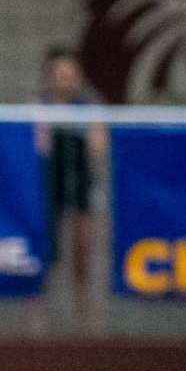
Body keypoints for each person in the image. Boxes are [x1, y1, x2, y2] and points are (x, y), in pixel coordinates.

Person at [37, 47, 105, 332]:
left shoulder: (89, 109)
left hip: (80, 188)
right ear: (49, 79)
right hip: (48, 189)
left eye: (70, 75)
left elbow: (99, 148)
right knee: (43, 261)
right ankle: (36, 330)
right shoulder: (38, 108)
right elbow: (39, 148)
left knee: (82, 262)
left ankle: (88, 328)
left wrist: (80, 128)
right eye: (59, 75)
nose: (65, 80)